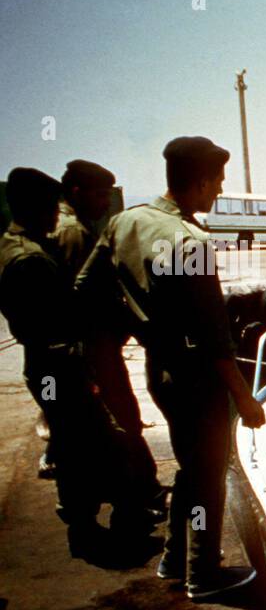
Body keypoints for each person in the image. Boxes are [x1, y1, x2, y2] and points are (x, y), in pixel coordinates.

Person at [76, 137, 266, 597]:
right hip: (196, 377)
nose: (218, 192)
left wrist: (140, 324)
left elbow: (86, 288)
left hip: (158, 370)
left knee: (188, 467)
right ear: (201, 181)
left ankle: (172, 559)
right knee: (207, 478)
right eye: (217, 183)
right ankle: (202, 573)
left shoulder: (125, 221)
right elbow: (216, 336)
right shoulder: (192, 240)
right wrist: (244, 397)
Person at [0, 168, 153, 563]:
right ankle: (88, 527)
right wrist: (89, 376)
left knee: (75, 445)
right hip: (61, 366)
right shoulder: (33, 261)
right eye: (51, 208)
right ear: (35, 208)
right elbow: (57, 327)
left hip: (46, 365)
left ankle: (86, 523)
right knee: (87, 445)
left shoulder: (12, 245)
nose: (56, 216)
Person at [54, 158, 166, 518]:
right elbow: (82, 299)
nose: (105, 203)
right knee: (120, 423)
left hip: (89, 349)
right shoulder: (74, 232)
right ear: (76, 192)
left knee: (95, 428)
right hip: (94, 349)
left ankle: (129, 495)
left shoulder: (68, 224)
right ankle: (135, 499)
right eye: (100, 195)